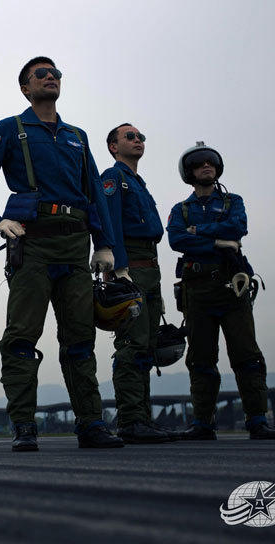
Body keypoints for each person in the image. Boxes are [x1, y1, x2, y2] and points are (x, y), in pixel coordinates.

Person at [0, 57, 127, 451]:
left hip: (75, 246)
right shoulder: (10, 129)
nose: (50, 77)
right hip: (32, 245)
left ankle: (91, 423)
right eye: (41, 74)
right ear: (25, 87)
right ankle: (24, 425)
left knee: (80, 337)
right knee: (21, 336)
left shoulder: (77, 136)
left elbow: (93, 192)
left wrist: (105, 244)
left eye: (55, 73)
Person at [166, 142, 275, 440]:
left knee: (246, 354)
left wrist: (198, 232)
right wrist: (217, 242)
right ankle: (203, 423)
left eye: (211, 161)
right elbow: (176, 240)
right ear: (188, 171)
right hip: (196, 291)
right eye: (199, 162)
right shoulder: (181, 210)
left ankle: (257, 420)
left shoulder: (233, 202)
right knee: (200, 358)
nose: (207, 165)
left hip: (232, 287)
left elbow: (238, 227)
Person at [100, 124, 174, 444]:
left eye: (141, 137)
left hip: (150, 267)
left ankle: (143, 418)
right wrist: (118, 269)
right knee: (131, 342)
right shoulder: (113, 178)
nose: (138, 140)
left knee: (146, 344)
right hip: (131, 267)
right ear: (114, 147)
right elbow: (110, 222)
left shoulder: (138, 183)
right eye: (129, 137)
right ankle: (130, 420)